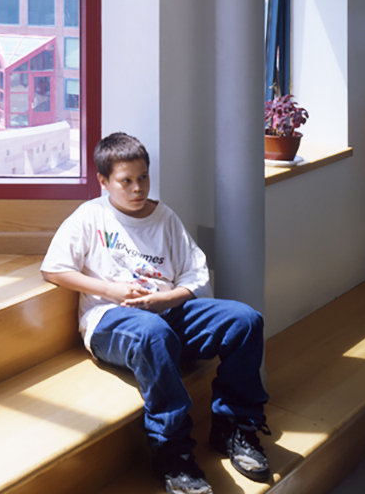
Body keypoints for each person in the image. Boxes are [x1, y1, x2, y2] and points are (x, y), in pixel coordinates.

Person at [41, 133, 271, 494]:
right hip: (111, 318)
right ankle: (174, 454)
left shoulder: (164, 217)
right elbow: (52, 269)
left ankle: (235, 428)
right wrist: (111, 290)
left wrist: (167, 300)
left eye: (143, 177)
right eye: (126, 181)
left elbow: (195, 275)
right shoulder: (90, 216)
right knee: (152, 333)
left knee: (244, 320)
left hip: (166, 311)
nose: (137, 188)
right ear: (103, 181)